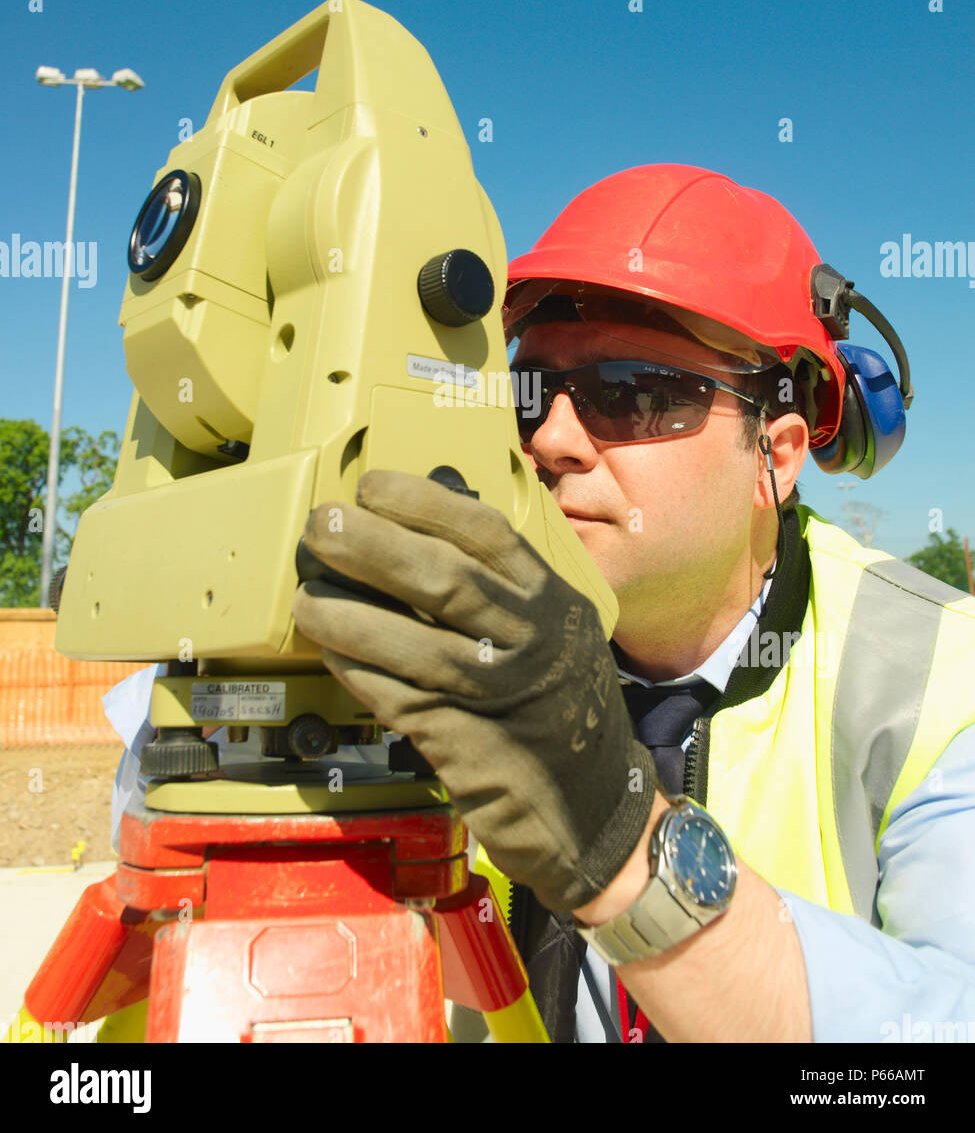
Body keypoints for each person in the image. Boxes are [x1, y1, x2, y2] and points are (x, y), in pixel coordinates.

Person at [292, 163, 975, 1043]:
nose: (552, 439)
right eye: (529, 393)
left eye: (634, 395)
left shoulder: (935, 683)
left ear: (777, 453)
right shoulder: (456, 631)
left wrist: (619, 841)